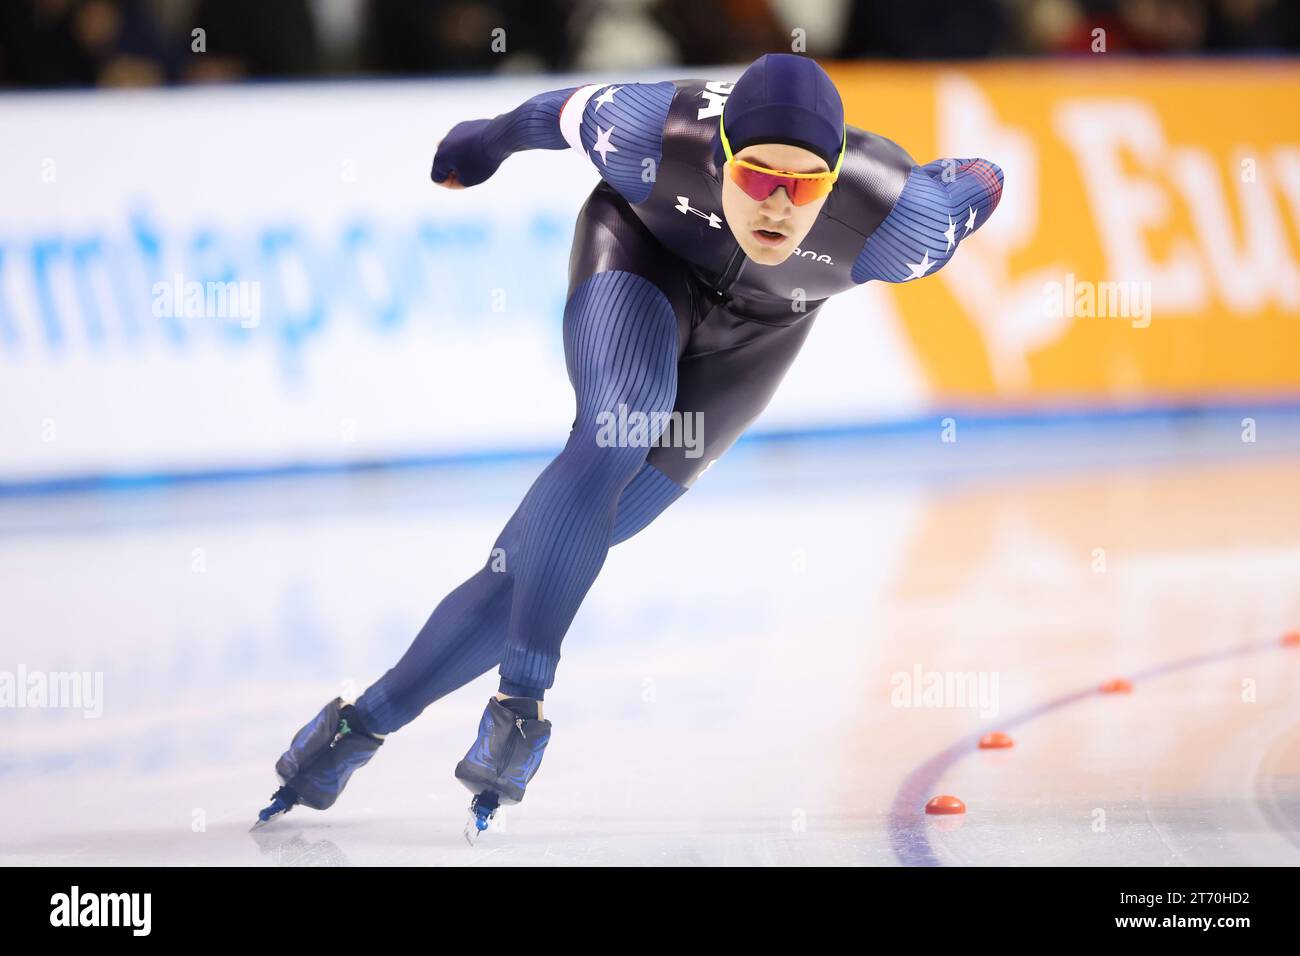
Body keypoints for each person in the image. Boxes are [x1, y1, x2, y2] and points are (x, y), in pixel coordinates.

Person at [253, 53, 1003, 836]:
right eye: (756, 178)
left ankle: (355, 729)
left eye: (805, 185)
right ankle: (522, 704)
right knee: (622, 421)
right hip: (642, 259)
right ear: (719, 156)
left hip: (756, 341)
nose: (778, 205)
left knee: (545, 555)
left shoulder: (902, 221)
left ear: (837, 176)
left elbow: (980, 181)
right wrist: (483, 143)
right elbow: (547, 114)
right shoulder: (655, 132)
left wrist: (968, 179)